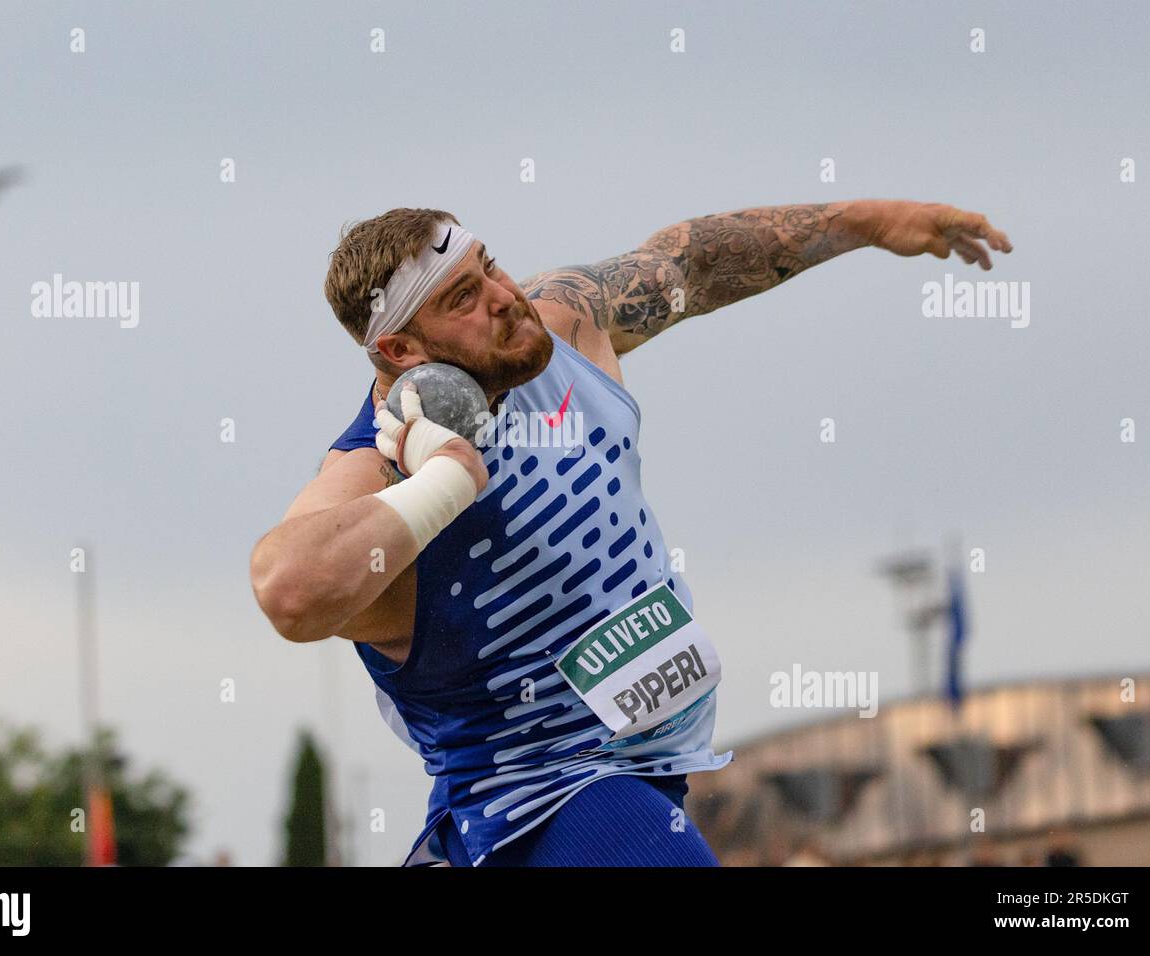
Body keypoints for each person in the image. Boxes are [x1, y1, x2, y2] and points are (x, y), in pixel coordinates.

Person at [250, 202, 1011, 866]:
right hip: (544, 801)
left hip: (639, 779)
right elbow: (286, 587)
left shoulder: (562, 329)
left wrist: (871, 222)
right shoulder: (376, 470)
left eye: (489, 268)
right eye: (462, 299)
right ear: (400, 352)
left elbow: (689, 262)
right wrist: (443, 485)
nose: (504, 299)